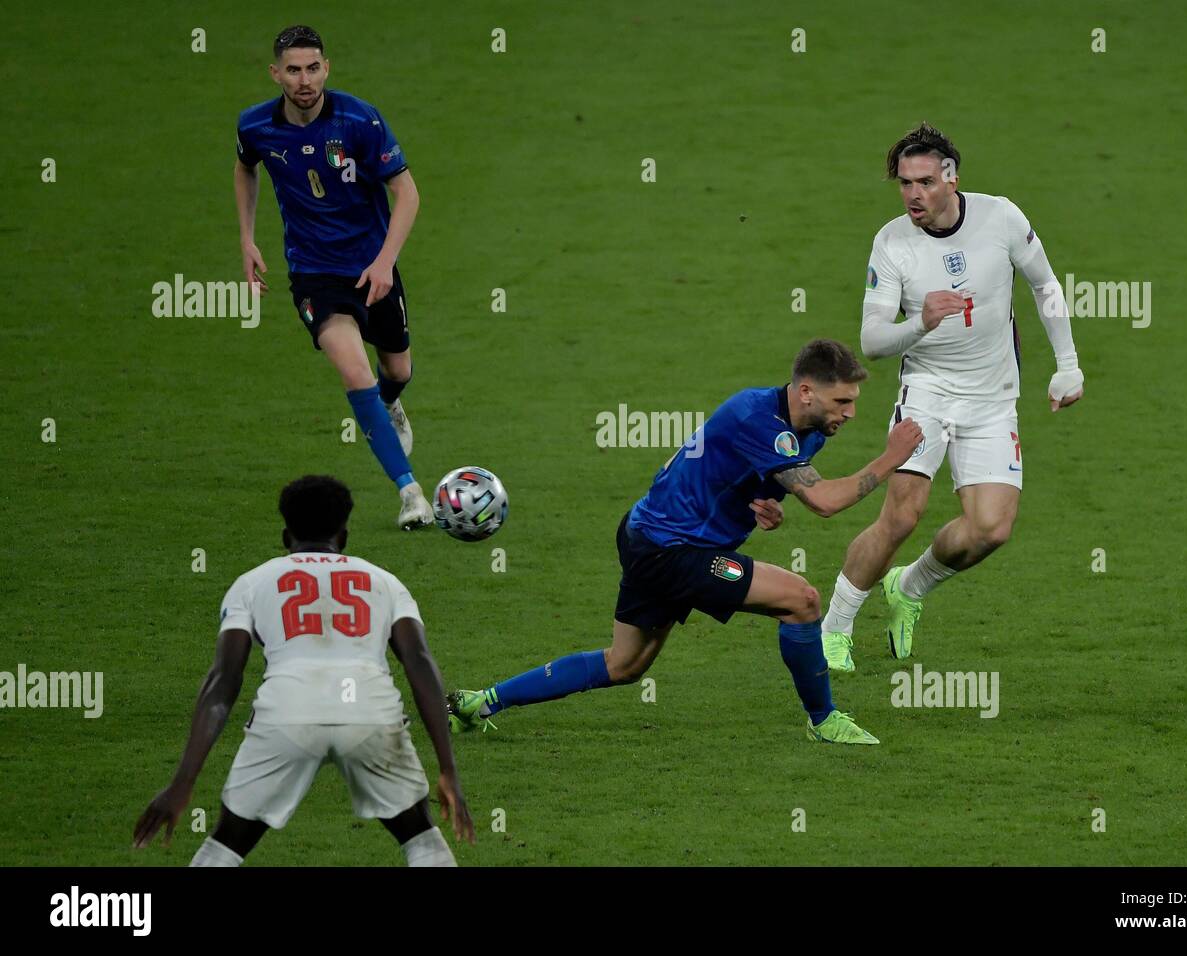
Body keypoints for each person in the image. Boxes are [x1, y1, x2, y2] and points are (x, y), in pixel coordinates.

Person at [448, 340, 923, 745]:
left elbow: (746, 475)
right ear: (805, 392)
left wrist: (765, 504)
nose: (852, 413)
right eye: (842, 402)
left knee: (624, 665)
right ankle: (824, 721)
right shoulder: (758, 418)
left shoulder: (806, 428)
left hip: (645, 534)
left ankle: (482, 702)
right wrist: (891, 458)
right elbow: (821, 501)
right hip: (674, 550)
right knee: (801, 600)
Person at [820, 122, 1084, 670]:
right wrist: (920, 322)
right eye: (903, 183)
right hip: (928, 393)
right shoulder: (892, 241)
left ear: (951, 178)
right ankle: (835, 625)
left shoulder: (1001, 218)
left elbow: (1045, 284)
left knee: (991, 528)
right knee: (902, 516)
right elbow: (871, 342)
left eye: (923, 181)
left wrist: (1068, 365)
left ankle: (909, 587)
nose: (913, 194)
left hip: (992, 398)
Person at [133, 475, 474, 865]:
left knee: (226, 843)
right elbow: (419, 663)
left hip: (286, 713)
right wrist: (448, 769)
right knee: (422, 840)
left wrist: (182, 783)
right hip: (368, 713)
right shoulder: (385, 582)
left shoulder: (251, 583)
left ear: (285, 537)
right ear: (343, 537)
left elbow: (223, 681)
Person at [235, 25, 434, 529]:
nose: (305, 79)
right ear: (276, 73)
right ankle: (411, 493)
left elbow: (407, 194)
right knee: (354, 372)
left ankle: (388, 408)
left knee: (398, 372)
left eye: (313, 67)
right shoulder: (256, 126)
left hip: (373, 266)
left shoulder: (359, 120)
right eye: (294, 69)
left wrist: (385, 261)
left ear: (327, 68)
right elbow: (246, 168)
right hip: (313, 273)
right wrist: (247, 238)